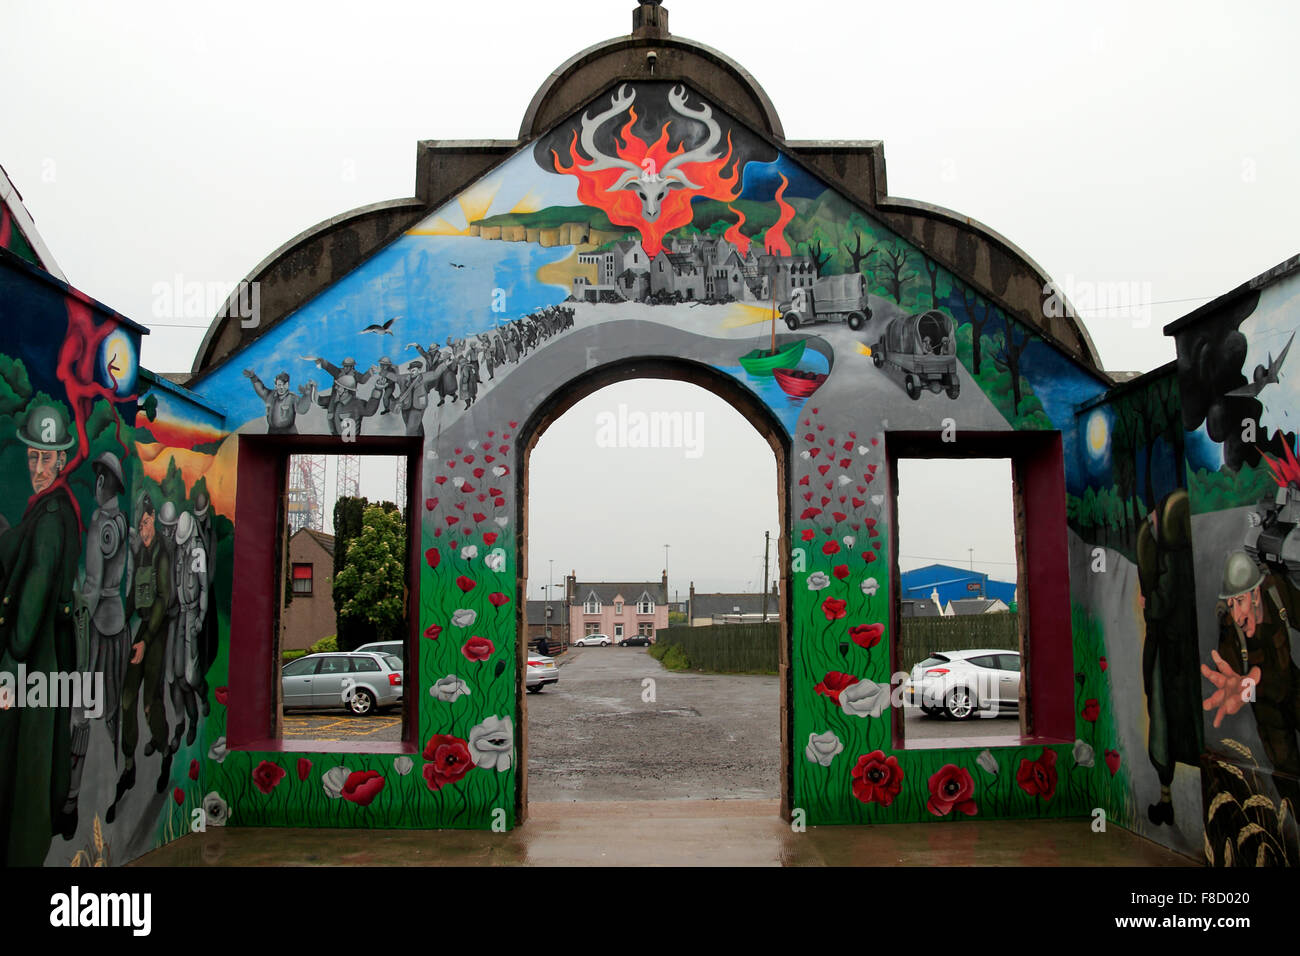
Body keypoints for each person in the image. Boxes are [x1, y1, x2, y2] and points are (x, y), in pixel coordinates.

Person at [0, 401, 81, 864]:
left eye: (45, 458)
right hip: (51, 654)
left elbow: (32, 596)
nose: (37, 467)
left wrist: (12, 655)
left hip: (37, 657)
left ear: (60, 459)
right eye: (33, 457)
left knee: (28, 756)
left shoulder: (51, 518)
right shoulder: (54, 509)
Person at [1204, 550, 1300, 813]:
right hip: (1268, 708)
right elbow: (1232, 678)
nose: (1237, 615)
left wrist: (1254, 676)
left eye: (1241, 601)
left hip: (1293, 686)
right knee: (1287, 771)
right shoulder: (1230, 629)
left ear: (1256, 594)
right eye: (1231, 604)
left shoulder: (1277, 593)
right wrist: (1243, 687)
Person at [64, 452, 129, 831]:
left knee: (80, 713)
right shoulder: (121, 520)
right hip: (117, 624)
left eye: (100, 478)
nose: (97, 484)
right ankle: (107, 790)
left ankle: (71, 801)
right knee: (111, 714)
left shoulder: (104, 522)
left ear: (106, 482)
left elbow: (92, 584)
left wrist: (75, 613)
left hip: (99, 629)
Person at [1136, 489, 1201, 825]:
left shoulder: (1171, 562)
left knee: (1162, 721)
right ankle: (1169, 799)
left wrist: (1151, 605)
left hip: (1169, 656)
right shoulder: (1187, 558)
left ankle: (1167, 799)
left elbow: (1160, 604)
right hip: (1181, 655)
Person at [108, 492, 172, 823]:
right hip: (142, 629)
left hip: (157, 634)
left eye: (146, 523)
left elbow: (163, 599)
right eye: (141, 524)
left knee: (150, 703)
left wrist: (146, 640)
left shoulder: (161, 553)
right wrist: (121, 622)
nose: (143, 529)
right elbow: (134, 594)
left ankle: (164, 752)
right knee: (126, 699)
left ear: (153, 521)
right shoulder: (142, 553)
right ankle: (129, 766)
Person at [244, 370, 314, 434]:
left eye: (284, 385)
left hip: (289, 434)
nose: (282, 387)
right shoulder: (269, 395)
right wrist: (253, 377)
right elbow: (260, 389)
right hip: (272, 433)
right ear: (275, 385)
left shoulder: (292, 398)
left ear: (288, 385)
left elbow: (302, 409)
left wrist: (307, 394)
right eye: (279, 385)